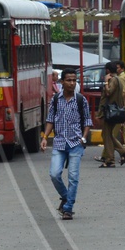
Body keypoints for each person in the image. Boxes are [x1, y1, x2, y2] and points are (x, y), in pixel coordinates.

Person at [42, 69, 91, 220]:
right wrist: (45, 137)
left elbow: (87, 121)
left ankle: (68, 208)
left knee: (73, 177)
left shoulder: (81, 100)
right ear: (62, 82)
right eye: (69, 80)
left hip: (76, 143)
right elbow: (50, 120)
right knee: (54, 174)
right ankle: (65, 196)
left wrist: (83, 138)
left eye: (74, 80)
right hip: (59, 143)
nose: (72, 83)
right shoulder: (56, 99)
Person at [98, 60, 125, 168]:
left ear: (108, 70)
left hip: (110, 111)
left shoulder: (114, 80)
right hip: (115, 111)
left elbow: (108, 92)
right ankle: (118, 154)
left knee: (108, 135)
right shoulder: (119, 79)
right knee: (109, 135)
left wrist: (106, 82)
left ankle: (112, 158)